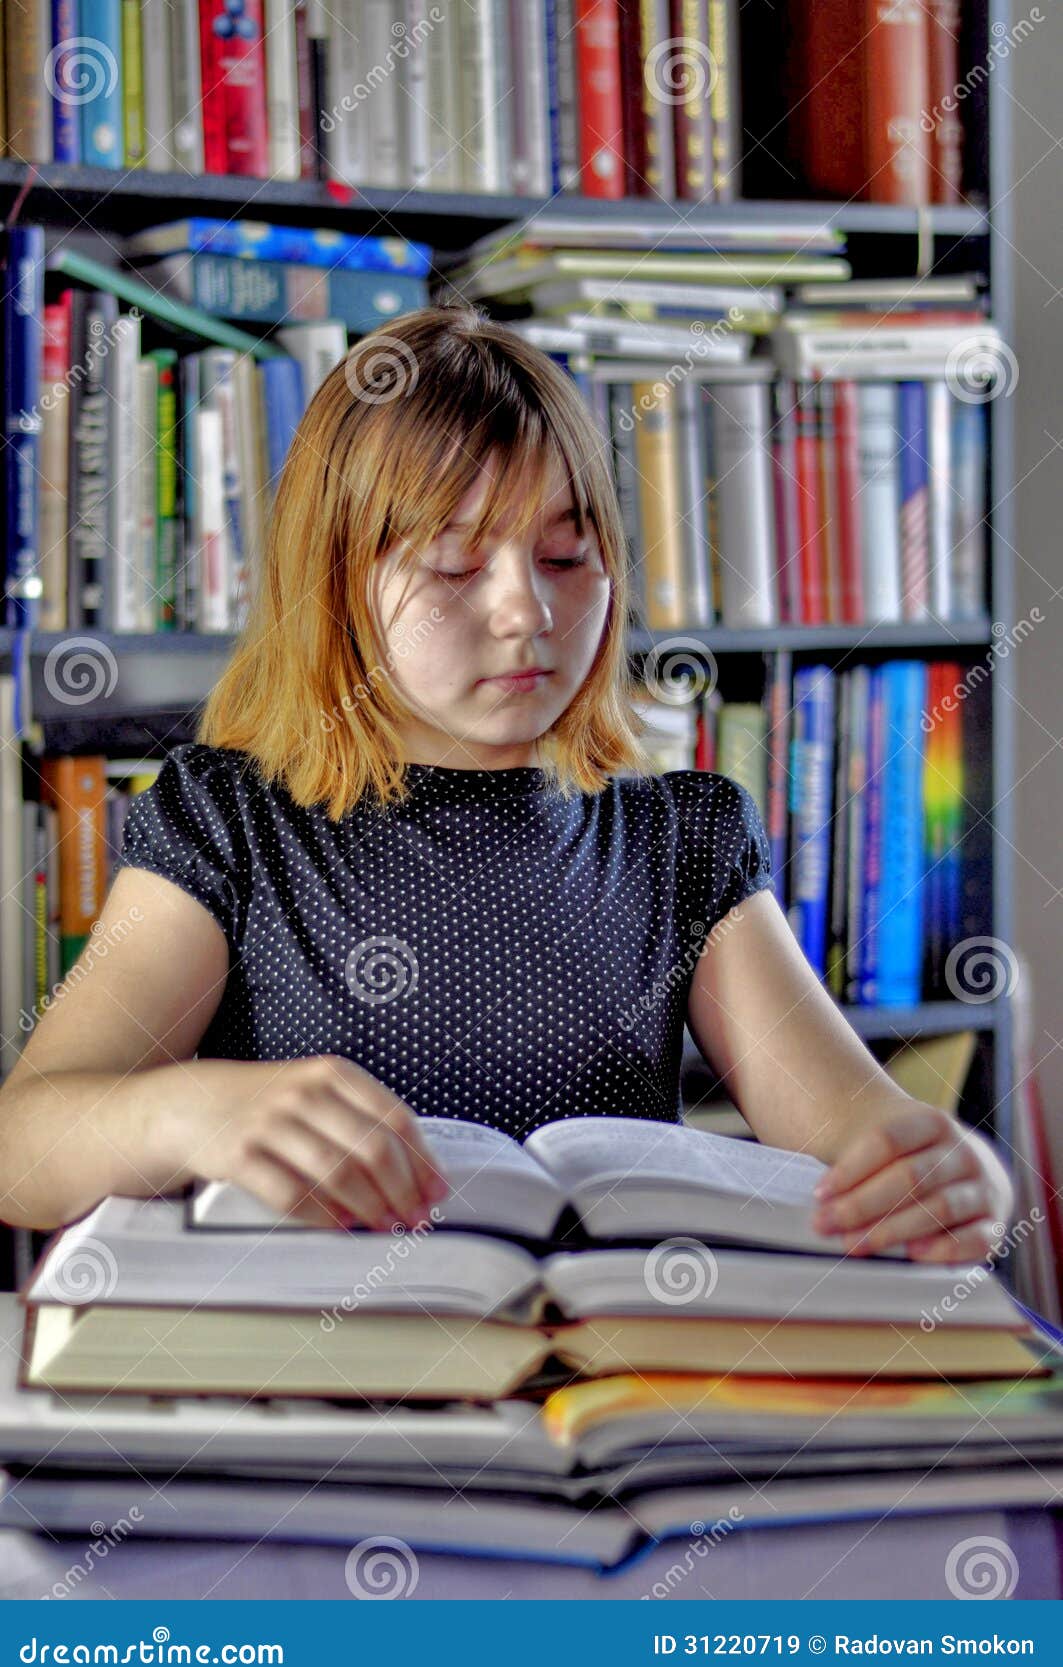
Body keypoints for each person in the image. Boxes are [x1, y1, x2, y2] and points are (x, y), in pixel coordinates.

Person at [0, 305, 1012, 1263]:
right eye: (452, 566)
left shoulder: (682, 841)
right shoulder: (228, 825)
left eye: (566, 554)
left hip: (601, 1396)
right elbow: (23, 1151)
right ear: (337, 583)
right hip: (311, 1399)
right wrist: (187, 1110)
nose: (527, 610)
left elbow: (855, 1126)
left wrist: (943, 1172)